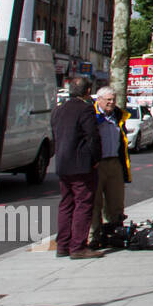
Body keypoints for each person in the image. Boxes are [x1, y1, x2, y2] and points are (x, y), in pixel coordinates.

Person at [50, 76, 102, 259]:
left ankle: (62, 245)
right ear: (88, 91)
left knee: (66, 203)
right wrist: (97, 158)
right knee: (83, 204)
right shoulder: (85, 109)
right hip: (81, 165)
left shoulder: (58, 110)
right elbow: (92, 137)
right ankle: (78, 246)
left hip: (63, 163)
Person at [88, 87, 131, 250]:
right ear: (98, 100)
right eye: (108, 100)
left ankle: (115, 232)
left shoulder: (118, 115)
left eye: (113, 99)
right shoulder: (92, 116)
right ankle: (95, 236)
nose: (111, 103)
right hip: (97, 165)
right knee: (95, 202)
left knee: (116, 200)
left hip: (114, 163)